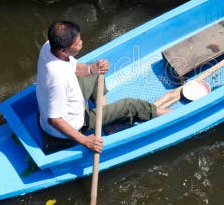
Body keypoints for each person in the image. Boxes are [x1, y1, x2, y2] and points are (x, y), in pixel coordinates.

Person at [36, 21, 168, 154]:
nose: (81, 42)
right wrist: (85, 141)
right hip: (73, 123)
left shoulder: (49, 47)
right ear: (64, 50)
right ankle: (171, 115)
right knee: (130, 105)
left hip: (67, 104)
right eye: (77, 42)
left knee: (96, 75)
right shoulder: (58, 79)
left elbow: (72, 66)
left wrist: (92, 69)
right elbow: (54, 120)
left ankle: (106, 121)